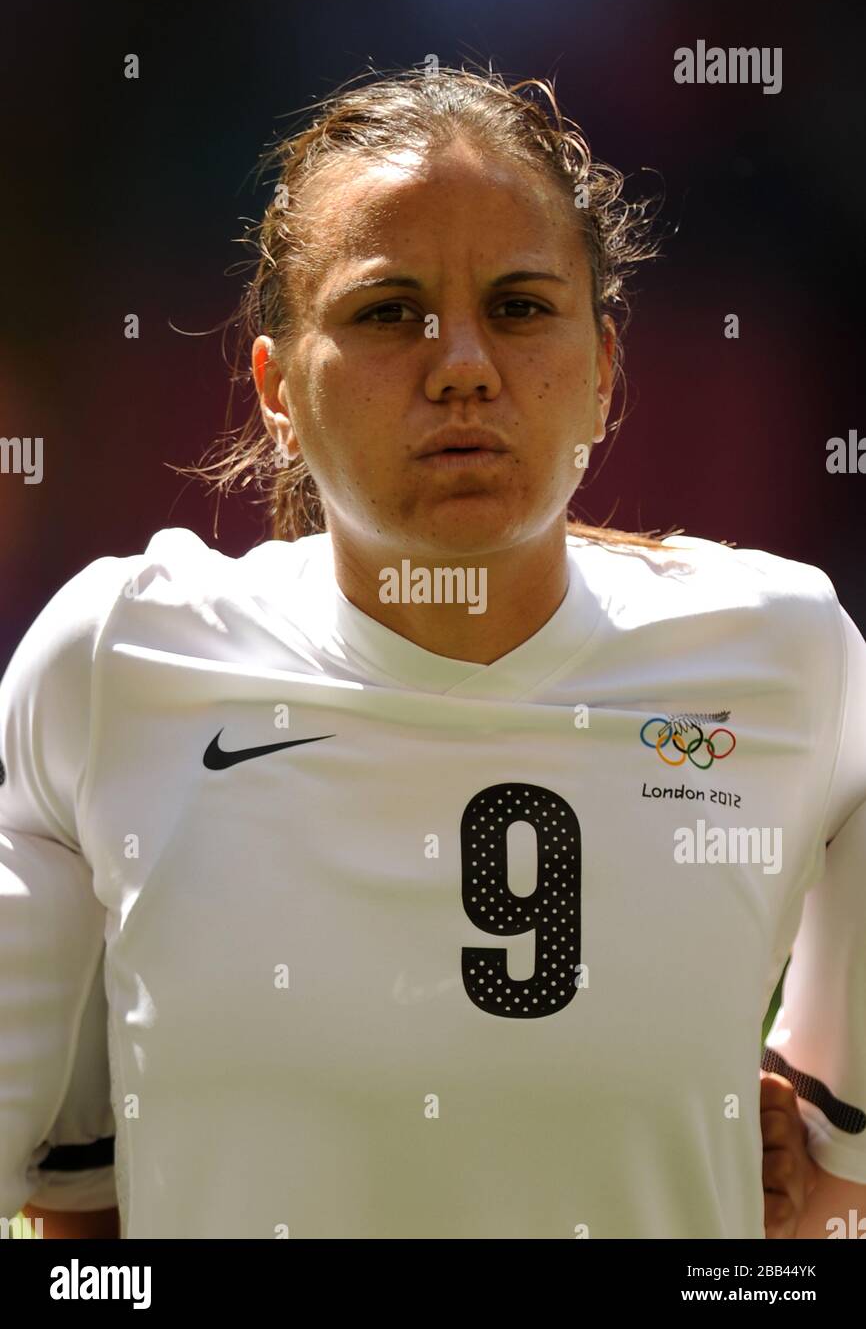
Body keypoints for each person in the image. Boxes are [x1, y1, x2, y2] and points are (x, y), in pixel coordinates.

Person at [2, 66, 863, 1240]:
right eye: (383, 310)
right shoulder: (112, 664)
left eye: (517, 307)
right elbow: (74, 1219)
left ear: (604, 368)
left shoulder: (792, 656)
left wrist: (807, 1165)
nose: (461, 363)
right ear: (275, 391)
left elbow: (824, 1191)